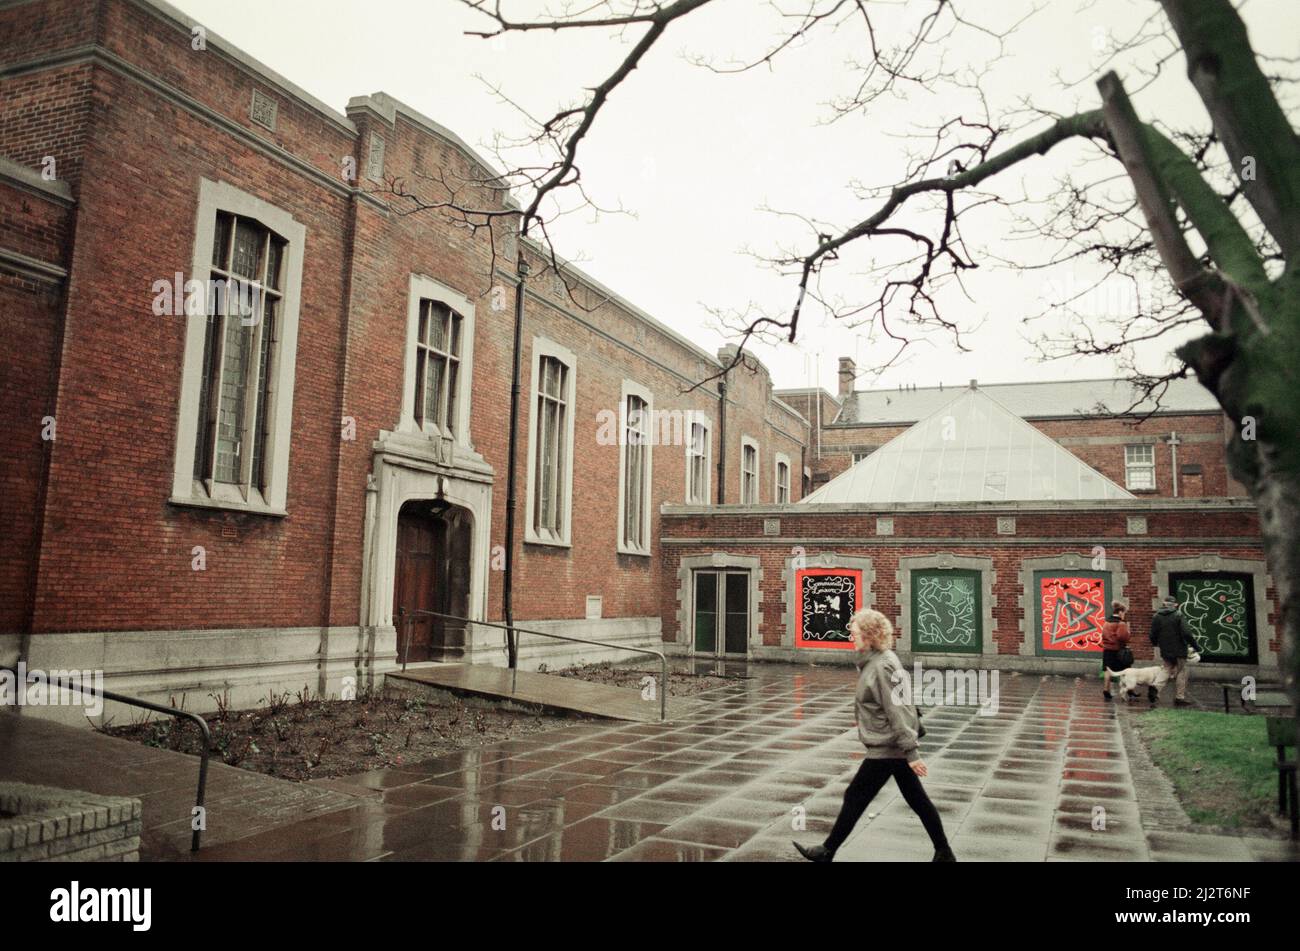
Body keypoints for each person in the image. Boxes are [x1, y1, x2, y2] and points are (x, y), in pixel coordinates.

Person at [794, 608, 955, 863]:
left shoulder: (882, 666)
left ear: (869, 636)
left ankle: (827, 851)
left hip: (888, 745)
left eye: (855, 632)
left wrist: (911, 752)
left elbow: (899, 709)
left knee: (856, 796)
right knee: (916, 798)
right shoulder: (875, 661)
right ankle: (944, 852)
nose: (851, 637)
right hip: (891, 744)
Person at [1150, 594, 1198, 707]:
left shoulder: (1157, 616)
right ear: (1175, 605)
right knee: (1182, 671)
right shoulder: (1178, 615)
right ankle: (1179, 697)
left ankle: (1155, 688)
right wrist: (1195, 646)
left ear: (1163, 604)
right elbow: (1187, 633)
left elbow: (1152, 634)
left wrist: (1156, 643)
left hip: (1165, 649)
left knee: (1166, 668)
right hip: (1179, 649)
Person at [1100, 600, 1132, 701]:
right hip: (1118, 650)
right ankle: (1129, 690)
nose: (1124, 615)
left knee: (1107, 670)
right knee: (1125, 670)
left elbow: (1104, 635)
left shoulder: (1107, 622)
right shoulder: (1121, 623)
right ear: (1120, 612)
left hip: (1107, 649)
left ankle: (1106, 689)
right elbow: (1122, 637)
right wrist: (1128, 634)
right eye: (1124, 613)